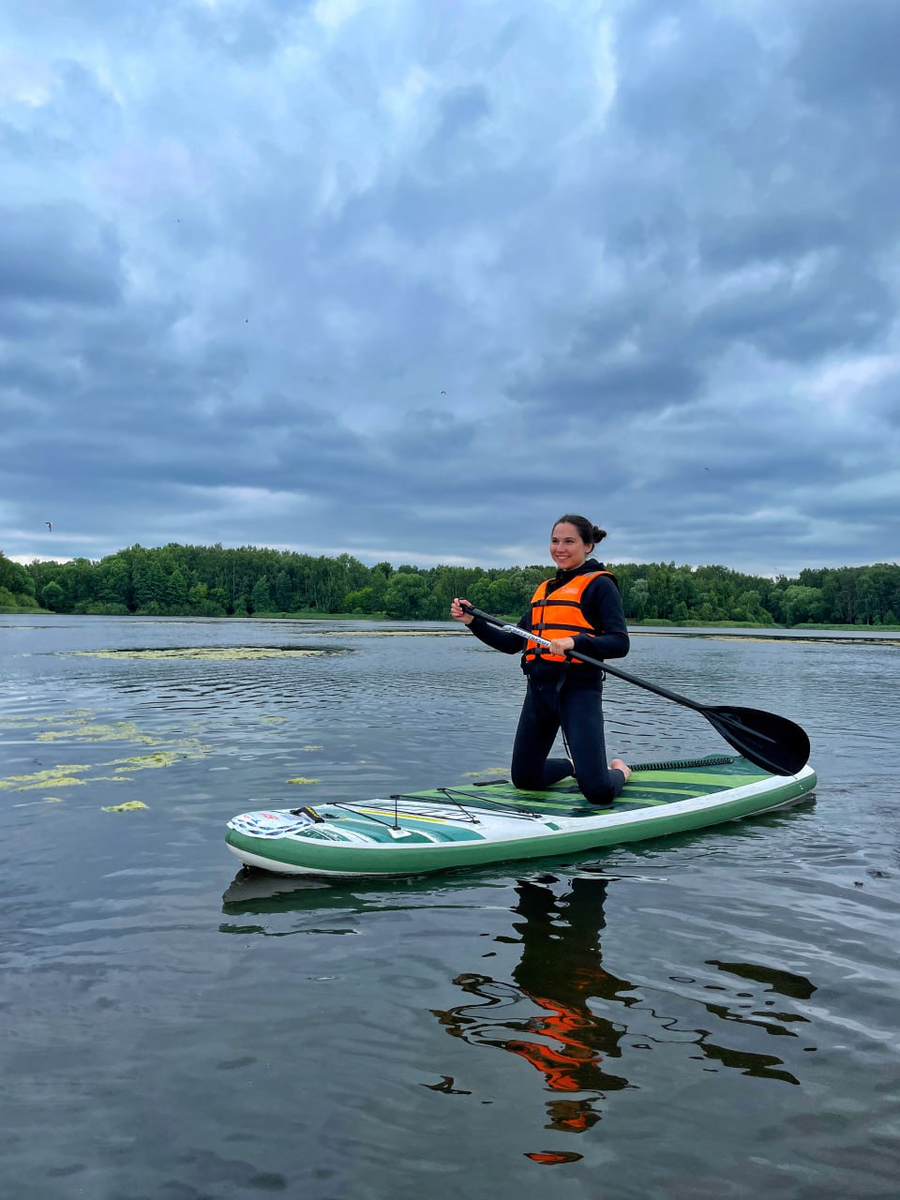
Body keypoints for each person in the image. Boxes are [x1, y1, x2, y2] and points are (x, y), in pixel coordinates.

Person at [450, 514, 631, 806]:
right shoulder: (545, 591)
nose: (560, 548)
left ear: (587, 546)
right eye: (555, 541)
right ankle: (574, 767)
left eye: (569, 541)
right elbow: (512, 643)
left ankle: (621, 770)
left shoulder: (600, 585)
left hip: (578, 692)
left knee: (598, 793)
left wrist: (576, 641)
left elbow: (620, 643)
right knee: (526, 778)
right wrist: (473, 622)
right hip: (539, 693)